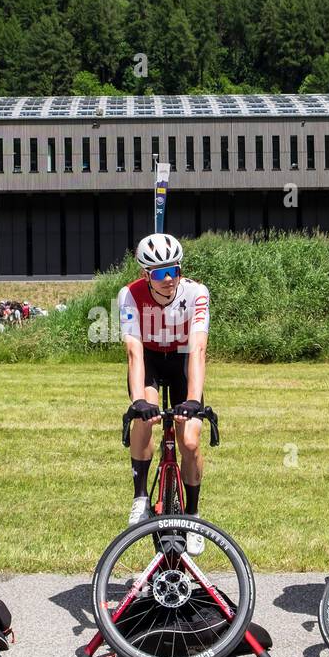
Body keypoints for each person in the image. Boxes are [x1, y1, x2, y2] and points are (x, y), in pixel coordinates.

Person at [119, 232, 211, 552]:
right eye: (160, 273)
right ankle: (141, 496)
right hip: (151, 362)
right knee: (145, 420)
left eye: (175, 270)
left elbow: (198, 349)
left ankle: (194, 515)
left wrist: (195, 401)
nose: (169, 279)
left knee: (189, 439)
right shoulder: (129, 295)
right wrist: (139, 402)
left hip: (184, 360)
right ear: (146, 275)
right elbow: (133, 352)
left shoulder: (197, 293)